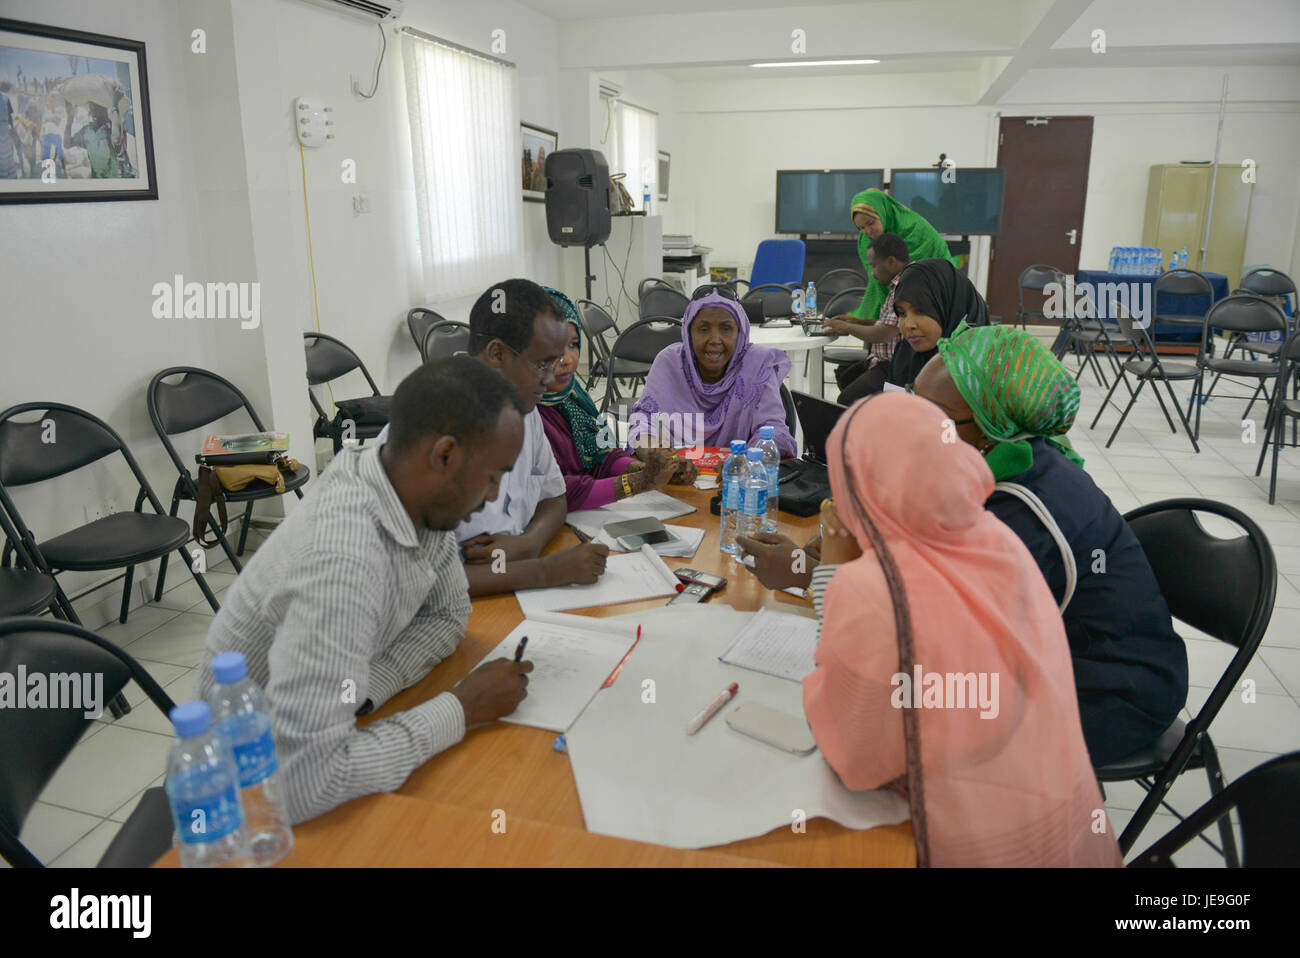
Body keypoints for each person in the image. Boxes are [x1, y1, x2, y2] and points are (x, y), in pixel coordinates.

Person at [196, 357, 535, 824]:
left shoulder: (408, 490)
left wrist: (363, 690)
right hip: (245, 792)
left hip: (323, 728)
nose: (494, 497)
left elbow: (449, 614)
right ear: (444, 456)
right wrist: (462, 707)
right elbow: (304, 782)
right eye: (494, 476)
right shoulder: (343, 559)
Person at [803, 392, 1122, 866]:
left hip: (975, 847)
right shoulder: (997, 538)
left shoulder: (871, 588)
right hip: (1062, 830)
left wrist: (835, 563)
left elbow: (856, 758)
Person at [911, 323, 1188, 766]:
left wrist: (836, 569)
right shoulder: (1011, 458)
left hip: (1115, 695)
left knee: (924, 733)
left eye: (933, 418)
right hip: (1060, 658)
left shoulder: (1023, 511)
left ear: (988, 426)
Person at [448, 278, 610, 596]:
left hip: (515, 589)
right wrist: (544, 571)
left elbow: (554, 497)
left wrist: (528, 543)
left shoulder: (524, 407)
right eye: (542, 364)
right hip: (466, 606)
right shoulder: (441, 427)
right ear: (497, 353)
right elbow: (430, 582)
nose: (551, 379)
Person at [537, 286, 698, 510]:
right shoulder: (524, 414)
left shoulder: (571, 397)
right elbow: (555, 491)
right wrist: (640, 482)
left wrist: (652, 469)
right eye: (553, 347)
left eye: (573, 345)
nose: (567, 359)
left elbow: (603, 456)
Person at [627, 287, 797, 457]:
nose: (715, 340)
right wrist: (661, 457)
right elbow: (643, 423)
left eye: (725, 329)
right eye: (703, 329)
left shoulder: (758, 366)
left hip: (738, 478)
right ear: (688, 333)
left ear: (740, 333)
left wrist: (742, 463)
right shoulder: (670, 364)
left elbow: (774, 432)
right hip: (674, 477)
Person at [829, 188, 960, 324]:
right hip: (892, 318)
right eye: (861, 228)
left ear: (883, 212)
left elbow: (918, 276)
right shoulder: (866, 241)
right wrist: (860, 320)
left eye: (870, 223)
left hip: (934, 297)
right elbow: (877, 282)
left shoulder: (913, 228)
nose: (867, 231)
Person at [822, 232, 910, 403]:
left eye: (875, 266)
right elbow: (889, 324)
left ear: (891, 262)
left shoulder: (903, 287)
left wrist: (847, 328)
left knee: (845, 400)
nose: (872, 273)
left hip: (893, 368)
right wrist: (855, 321)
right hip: (882, 361)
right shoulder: (899, 284)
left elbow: (885, 333)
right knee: (844, 377)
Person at [887, 257, 990, 389]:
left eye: (920, 311)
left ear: (951, 308)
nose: (908, 325)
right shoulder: (904, 356)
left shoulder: (980, 366)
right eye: (902, 313)